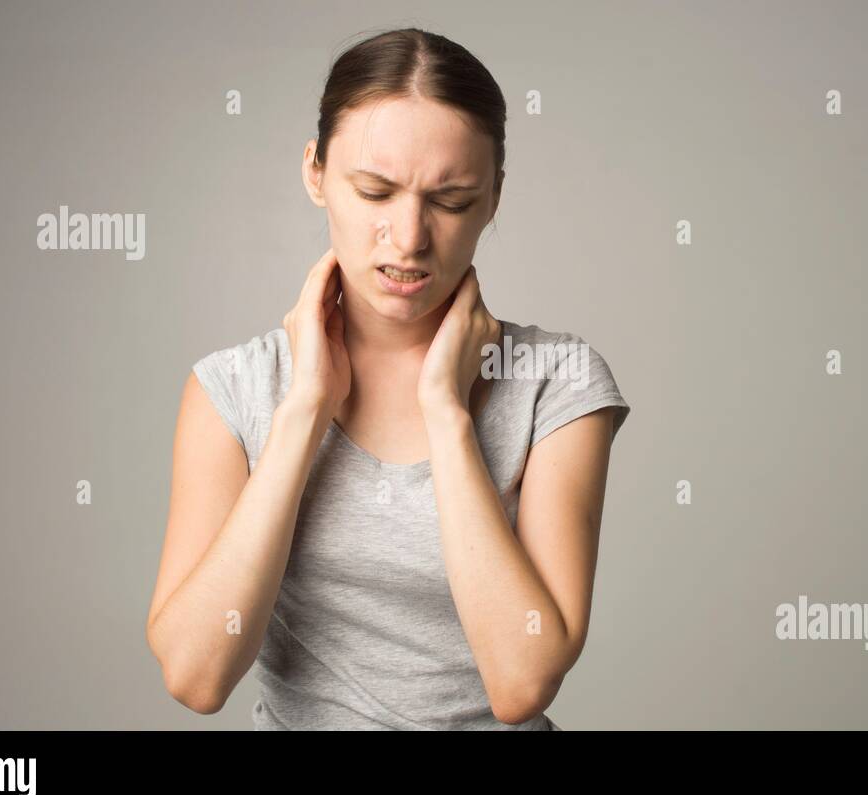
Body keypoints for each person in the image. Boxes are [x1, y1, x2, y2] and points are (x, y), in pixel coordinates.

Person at [145, 27, 629, 730]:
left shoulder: (556, 384)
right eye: (375, 191)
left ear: (494, 195)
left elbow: (523, 680)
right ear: (314, 173)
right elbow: (195, 674)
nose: (408, 236)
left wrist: (448, 414)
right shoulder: (234, 388)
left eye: (453, 200)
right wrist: (304, 407)